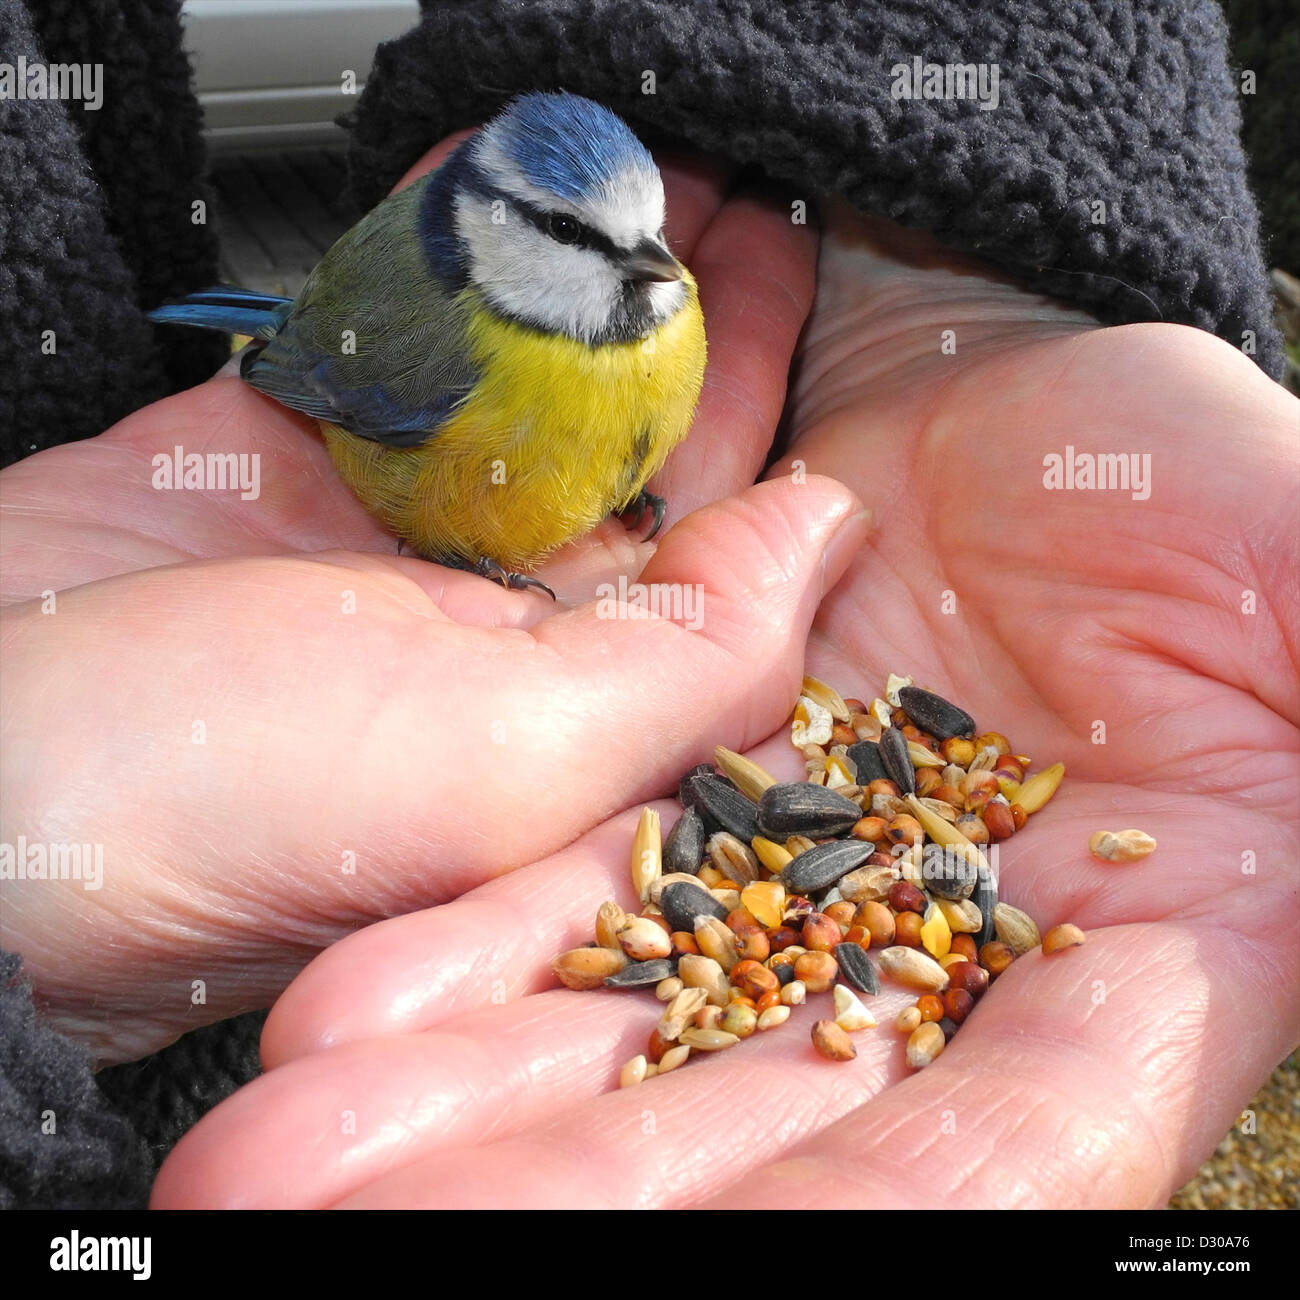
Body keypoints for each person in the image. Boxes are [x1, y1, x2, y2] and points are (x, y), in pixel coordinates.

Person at [1, 0, 1295, 1209]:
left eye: (652, 242)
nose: (651, 275)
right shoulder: (429, 340)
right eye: (588, 245)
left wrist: (1010, 295)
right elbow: (310, 370)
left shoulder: (663, 302)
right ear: (492, 229)